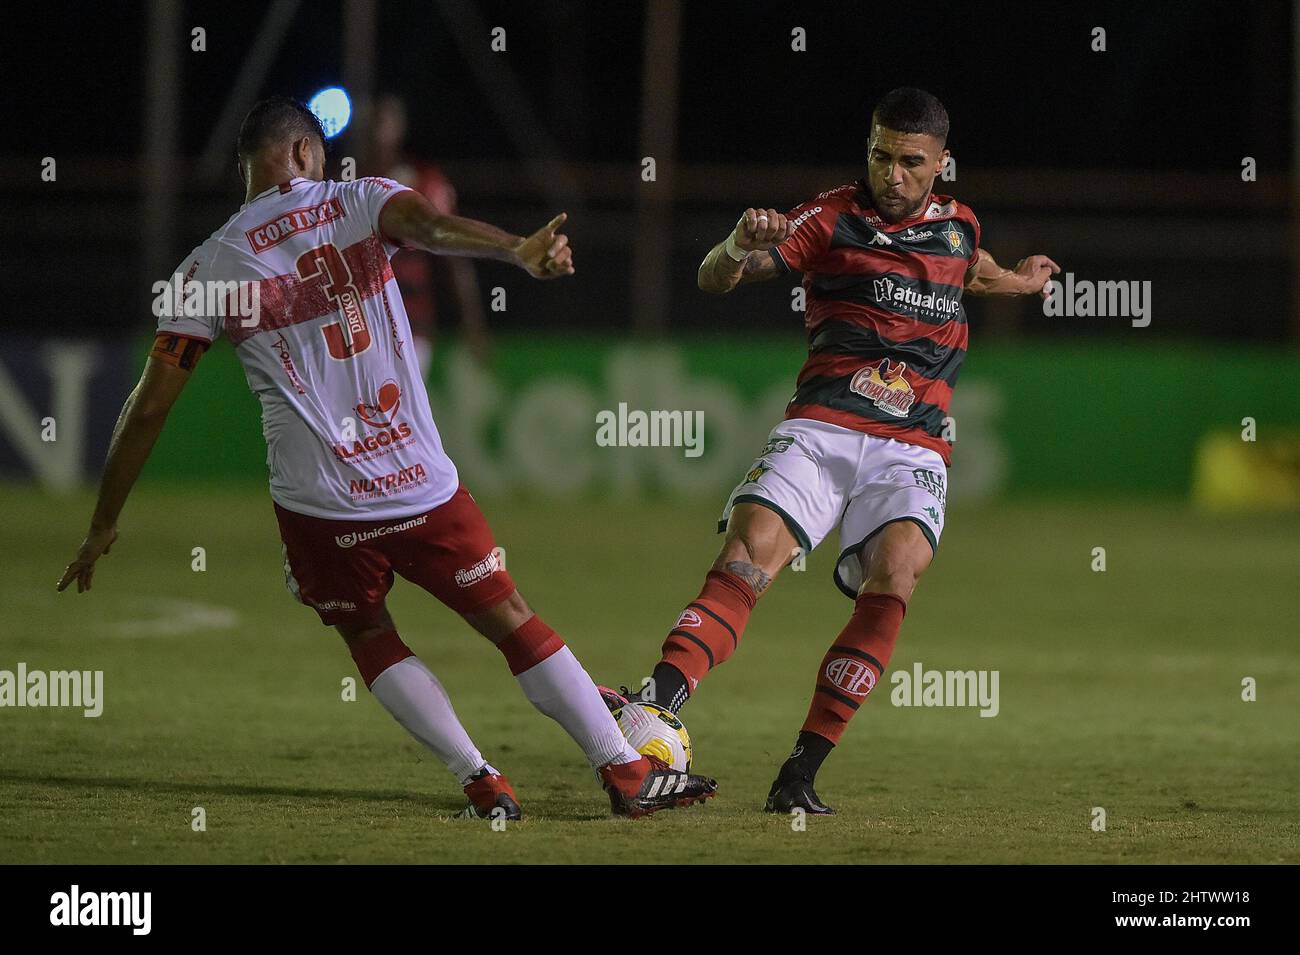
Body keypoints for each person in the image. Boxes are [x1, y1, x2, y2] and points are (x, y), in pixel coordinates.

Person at [57, 96, 716, 820]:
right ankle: (624, 770)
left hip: (316, 505)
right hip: (417, 487)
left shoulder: (206, 266)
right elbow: (430, 228)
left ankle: (482, 780)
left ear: (250, 166)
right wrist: (514, 250)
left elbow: (148, 406)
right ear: (307, 153)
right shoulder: (361, 200)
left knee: (368, 632)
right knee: (509, 618)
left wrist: (103, 523)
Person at [606, 88, 1058, 814]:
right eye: (881, 155)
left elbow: (970, 270)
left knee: (897, 577)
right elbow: (716, 278)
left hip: (912, 446)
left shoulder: (960, 226)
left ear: (943, 164)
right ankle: (652, 707)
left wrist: (1022, 283)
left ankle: (800, 772)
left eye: (912, 161)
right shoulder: (829, 217)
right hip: (822, 426)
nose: (893, 174)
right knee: (748, 558)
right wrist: (735, 246)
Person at [369, 93, 489, 370]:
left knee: (394, 407)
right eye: (373, 121)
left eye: (385, 120)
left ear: (400, 127)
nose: (378, 129)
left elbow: (454, 249)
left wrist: (472, 321)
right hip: (359, 323)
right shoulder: (348, 180)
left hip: (411, 322)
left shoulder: (423, 181)